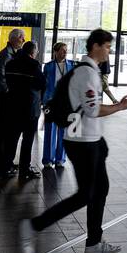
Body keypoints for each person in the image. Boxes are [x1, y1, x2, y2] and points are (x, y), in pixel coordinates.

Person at [20, 29, 127, 253]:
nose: (109, 51)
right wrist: (119, 107)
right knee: (86, 194)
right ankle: (33, 226)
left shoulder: (88, 71)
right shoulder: (87, 74)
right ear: (95, 46)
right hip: (82, 142)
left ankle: (94, 242)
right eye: (107, 46)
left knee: (100, 189)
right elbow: (92, 110)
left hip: (90, 140)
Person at [3, 40, 47, 180]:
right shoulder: (34, 65)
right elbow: (41, 84)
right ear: (33, 52)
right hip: (30, 108)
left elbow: (8, 82)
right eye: (37, 51)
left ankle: (7, 166)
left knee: (12, 138)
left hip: (13, 106)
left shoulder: (11, 63)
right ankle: (24, 169)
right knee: (27, 140)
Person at [0, 29, 25, 180]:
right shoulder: (6, 55)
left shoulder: (11, 54)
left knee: (5, 134)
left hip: (7, 100)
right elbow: (2, 81)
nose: (23, 41)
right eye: (22, 38)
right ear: (15, 39)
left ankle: (4, 164)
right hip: (6, 101)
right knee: (3, 135)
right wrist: (11, 97)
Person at [42, 42, 71, 170]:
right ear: (56, 52)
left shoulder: (71, 65)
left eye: (66, 50)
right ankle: (48, 159)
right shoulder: (48, 66)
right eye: (63, 50)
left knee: (63, 132)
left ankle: (60, 159)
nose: (65, 52)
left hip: (66, 103)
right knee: (49, 131)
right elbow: (44, 85)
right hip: (50, 102)